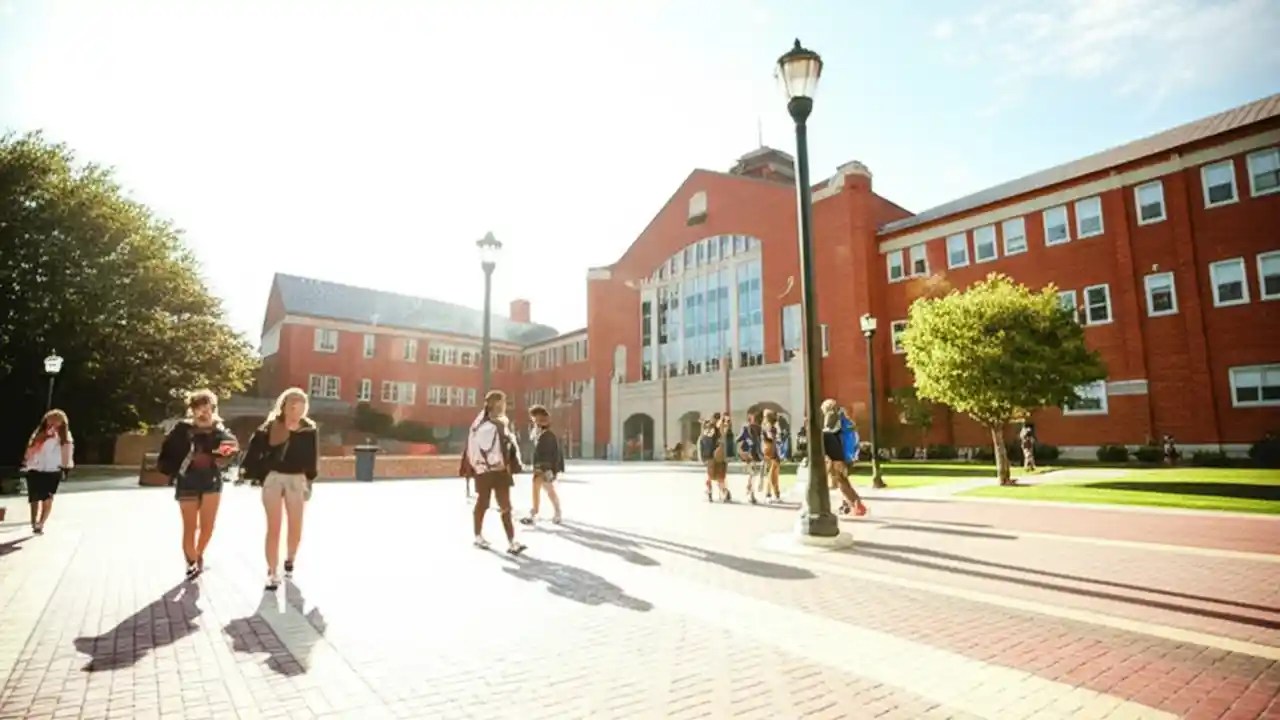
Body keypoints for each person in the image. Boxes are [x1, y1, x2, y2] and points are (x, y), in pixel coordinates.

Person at [241, 387, 319, 591]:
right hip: (274, 478)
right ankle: (271, 571)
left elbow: (312, 458)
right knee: (273, 527)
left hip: (297, 479)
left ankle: (290, 558)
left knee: (295, 524)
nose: (295, 406)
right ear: (283, 404)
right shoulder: (269, 427)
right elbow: (254, 452)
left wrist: (309, 480)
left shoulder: (308, 429)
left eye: (300, 402)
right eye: (292, 401)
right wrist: (252, 473)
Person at [157, 390, 238, 579]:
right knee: (190, 526)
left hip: (211, 481)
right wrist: (172, 469)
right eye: (200, 409)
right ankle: (192, 562)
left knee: (208, 526)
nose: (204, 413)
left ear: (214, 410)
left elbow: (231, 453)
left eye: (208, 409)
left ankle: (199, 553)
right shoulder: (181, 431)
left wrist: (224, 454)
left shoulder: (221, 433)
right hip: (187, 481)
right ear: (192, 410)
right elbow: (167, 453)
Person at [463, 390, 526, 554]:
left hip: (491, 471)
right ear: (497, 404)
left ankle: (509, 541)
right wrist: (489, 465)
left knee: (497, 504)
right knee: (491, 504)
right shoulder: (487, 426)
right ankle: (485, 537)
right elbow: (482, 450)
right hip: (491, 471)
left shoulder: (486, 424)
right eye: (503, 403)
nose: (505, 406)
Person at [22, 409, 73, 535]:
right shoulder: (40, 433)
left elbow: (67, 453)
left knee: (47, 497)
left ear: (62, 423)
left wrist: (66, 468)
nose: (53, 422)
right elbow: (30, 448)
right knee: (34, 497)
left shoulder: (65, 437)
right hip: (35, 467)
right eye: (51, 419)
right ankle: (33, 522)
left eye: (57, 420)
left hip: (52, 469)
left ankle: (41, 523)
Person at [520, 404, 565, 525]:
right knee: (543, 489)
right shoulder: (539, 432)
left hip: (545, 467)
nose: (534, 420)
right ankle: (541, 512)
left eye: (535, 418)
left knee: (544, 488)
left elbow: (553, 453)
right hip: (540, 467)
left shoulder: (548, 434)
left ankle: (549, 512)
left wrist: (551, 469)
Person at [822, 401, 868, 517]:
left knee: (841, 482)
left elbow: (828, 433)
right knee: (843, 481)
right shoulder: (843, 419)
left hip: (837, 455)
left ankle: (857, 505)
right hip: (845, 455)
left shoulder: (831, 417)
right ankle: (854, 505)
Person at [699, 417, 731, 502]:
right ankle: (723, 492)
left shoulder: (703, 436)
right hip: (718, 458)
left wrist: (702, 458)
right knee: (720, 477)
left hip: (710, 458)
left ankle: (710, 492)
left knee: (710, 476)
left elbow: (701, 447)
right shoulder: (717, 434)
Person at [737, 412, 764, 504]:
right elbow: (738, 440)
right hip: (749, 456)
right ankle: (751, 494)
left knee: (753, 475)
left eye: (752, 418)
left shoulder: (758, 428)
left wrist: (762, 454)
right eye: (750, 418)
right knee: (753, 474)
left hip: (756, 455)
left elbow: (760, 442)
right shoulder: (745, 429)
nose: (752, 420)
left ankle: (749, 490)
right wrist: (741, 451)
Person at [760, 409, 782, 503]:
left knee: (771, 474)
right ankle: (774, 495)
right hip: (771, 451)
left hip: (769, 451)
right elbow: (772, 438)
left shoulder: (769, 427)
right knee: (773, 475)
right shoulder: (770, 427)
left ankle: (771, 495)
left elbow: (772, 439)